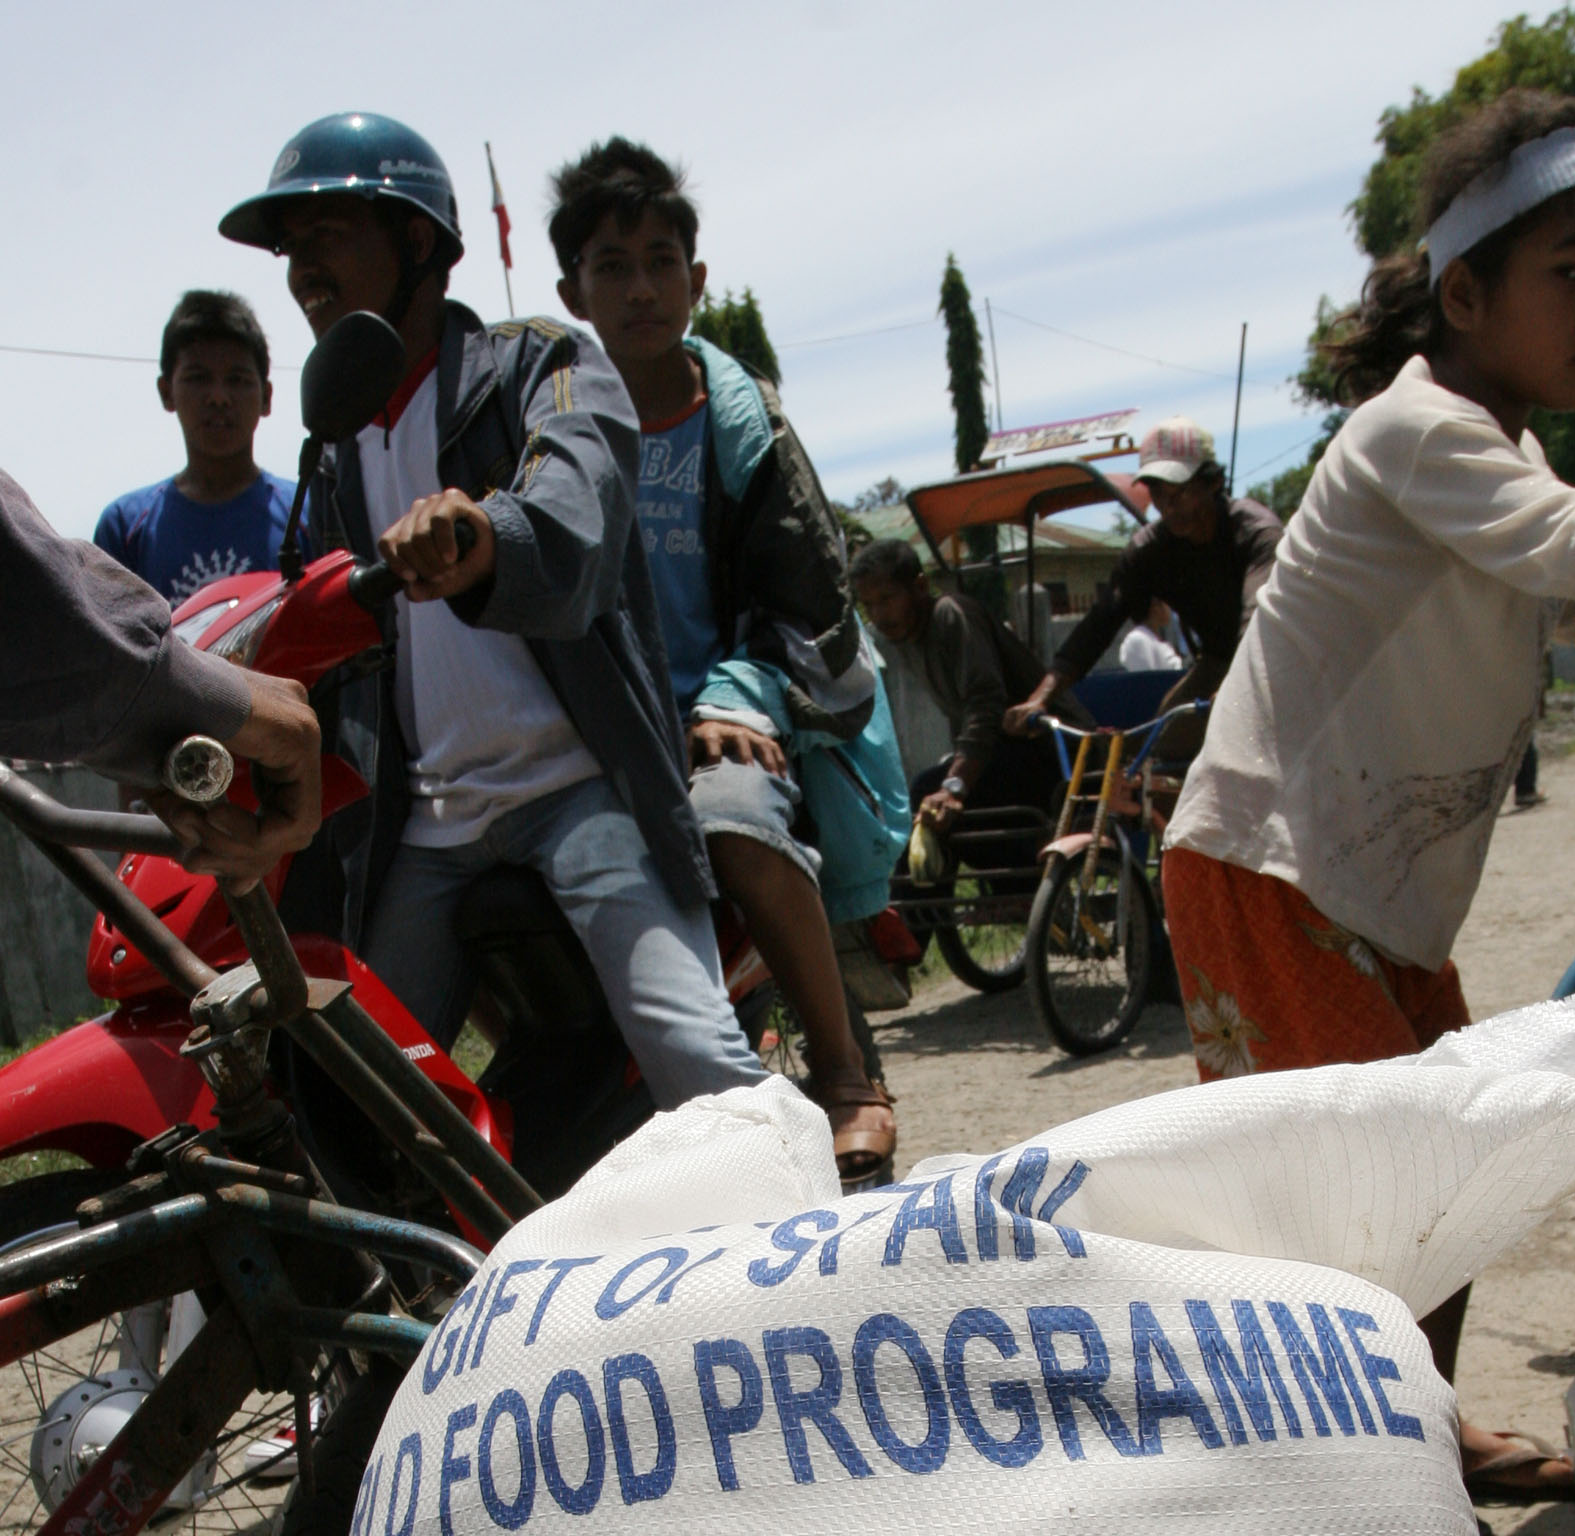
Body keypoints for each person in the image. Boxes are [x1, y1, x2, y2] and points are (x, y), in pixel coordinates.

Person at [1156, 89, 1575, 1502]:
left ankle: (1411, 1445)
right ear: (1463, 290)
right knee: (1366, 1213)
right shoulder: (1413, 428)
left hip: (1367, 894)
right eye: (1569, 274)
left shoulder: (1501, 450)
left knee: (1435, 1184)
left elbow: (1562, 594)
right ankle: (1350, 1495)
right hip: (1271, 868)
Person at [218, 114, 767, 1115]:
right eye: (288, 247)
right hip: (428, 815)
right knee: (357, 1091)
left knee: (697, 1062)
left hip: (576, 784)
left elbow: (579, 490)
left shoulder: (538, 362)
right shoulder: (337, 441)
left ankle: (825, 1237)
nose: (300, 266)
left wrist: (483, 534)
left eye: (325, 234)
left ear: (417, 241)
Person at [546, 136, 899, 1182]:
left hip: (742, 711)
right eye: (613, 267)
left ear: (697, 282)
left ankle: (843, 1075)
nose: (642, 287)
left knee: (732, 822)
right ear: (574, 289)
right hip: (605, 725)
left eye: (662, 261)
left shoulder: (742, 426)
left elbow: (808, 609)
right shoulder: (553, 423)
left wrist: (738, 697)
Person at [1, 466, 319, 886]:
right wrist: (193, 695)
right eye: (202, 391)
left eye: (242, 391)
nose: (219, 398)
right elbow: (50, 628)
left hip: (189, 755)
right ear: (169, 395)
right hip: (181, 756)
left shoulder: (302, 509)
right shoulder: (131, 521)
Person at [1005, 421, 1281, 734]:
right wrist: (1040, 699)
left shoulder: (1256, 534)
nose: (1168, 506)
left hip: (1277, 658)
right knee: (1165, 741)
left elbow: (1260, 620)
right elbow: (1095, 629)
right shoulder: (1150, 550)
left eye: (1180, 492)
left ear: (1213, 482)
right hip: (1219, 662)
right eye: (1158, 493)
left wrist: (1237, 687)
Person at [850, 538, 1077, 824]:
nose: (879, 616)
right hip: (1009, 757)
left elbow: (985, 706)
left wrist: (954, 785)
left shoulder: (950, 615)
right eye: (868, 605)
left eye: (887, 599)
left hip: (1054, 754)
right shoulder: (907, 637)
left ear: (920, 587)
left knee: (926, 794)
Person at [93, 292, 299, 607]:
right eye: (198, 378)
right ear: (166, 392)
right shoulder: (125, 527)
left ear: (267, 397)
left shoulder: (306, 514)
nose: (218, 397)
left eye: (237, 379)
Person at [1119, 597, 1186, 673]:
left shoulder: (1153, 640)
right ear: (1155, 607)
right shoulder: (1138, 639)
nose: (1169, 608)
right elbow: (1146, 681)